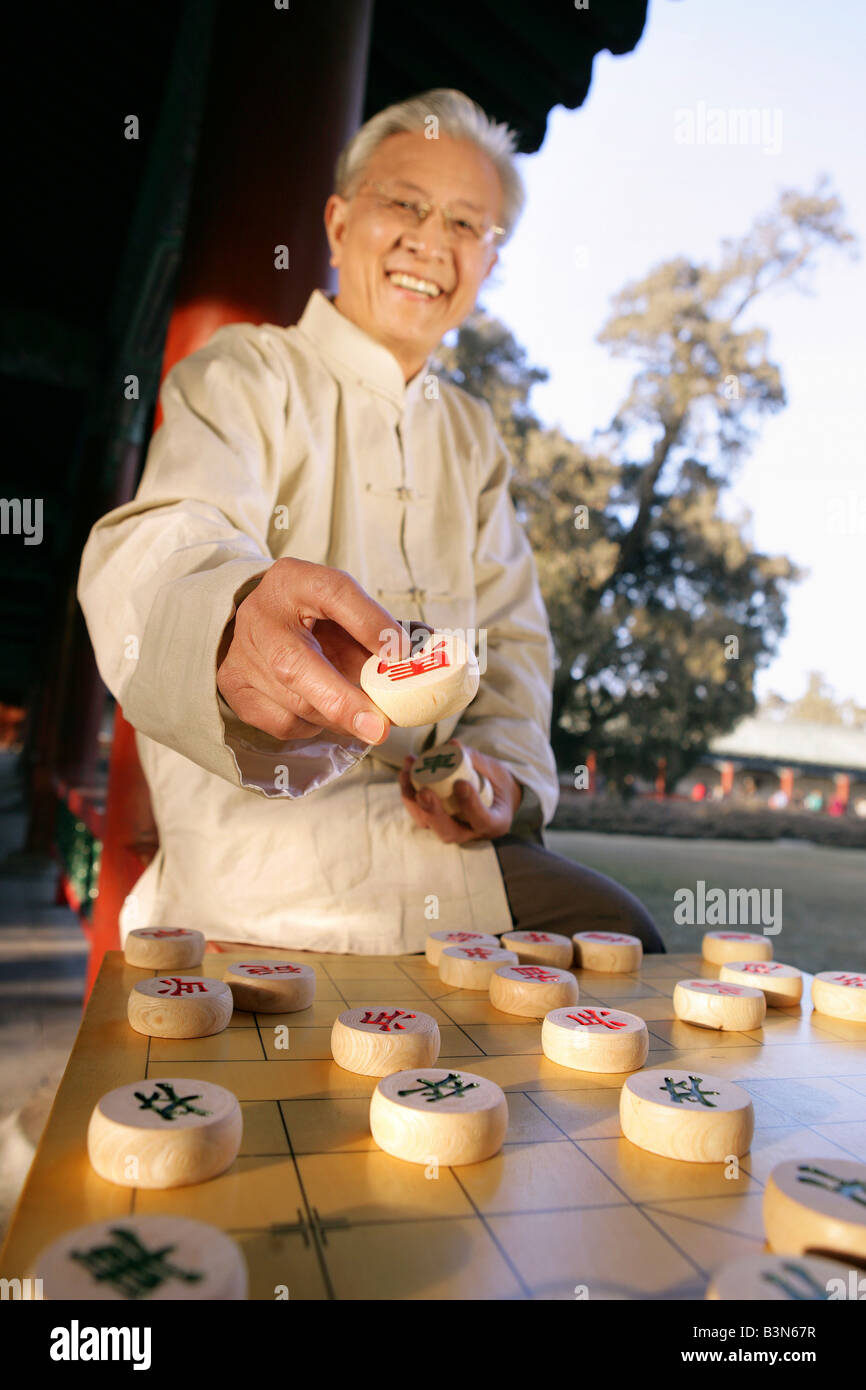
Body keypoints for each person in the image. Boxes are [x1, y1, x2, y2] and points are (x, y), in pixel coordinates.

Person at [78, 88, 664, 955]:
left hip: (443, 850)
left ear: (491, 262)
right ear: (339, 220)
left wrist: (497, 773)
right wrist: (232, 617)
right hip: (263, 852)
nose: (433, 239)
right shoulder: (248, 372)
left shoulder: (472, 437)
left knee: (622, 940)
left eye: (469, 224)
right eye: (405, 202)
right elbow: (167, 532)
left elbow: (512, 644)